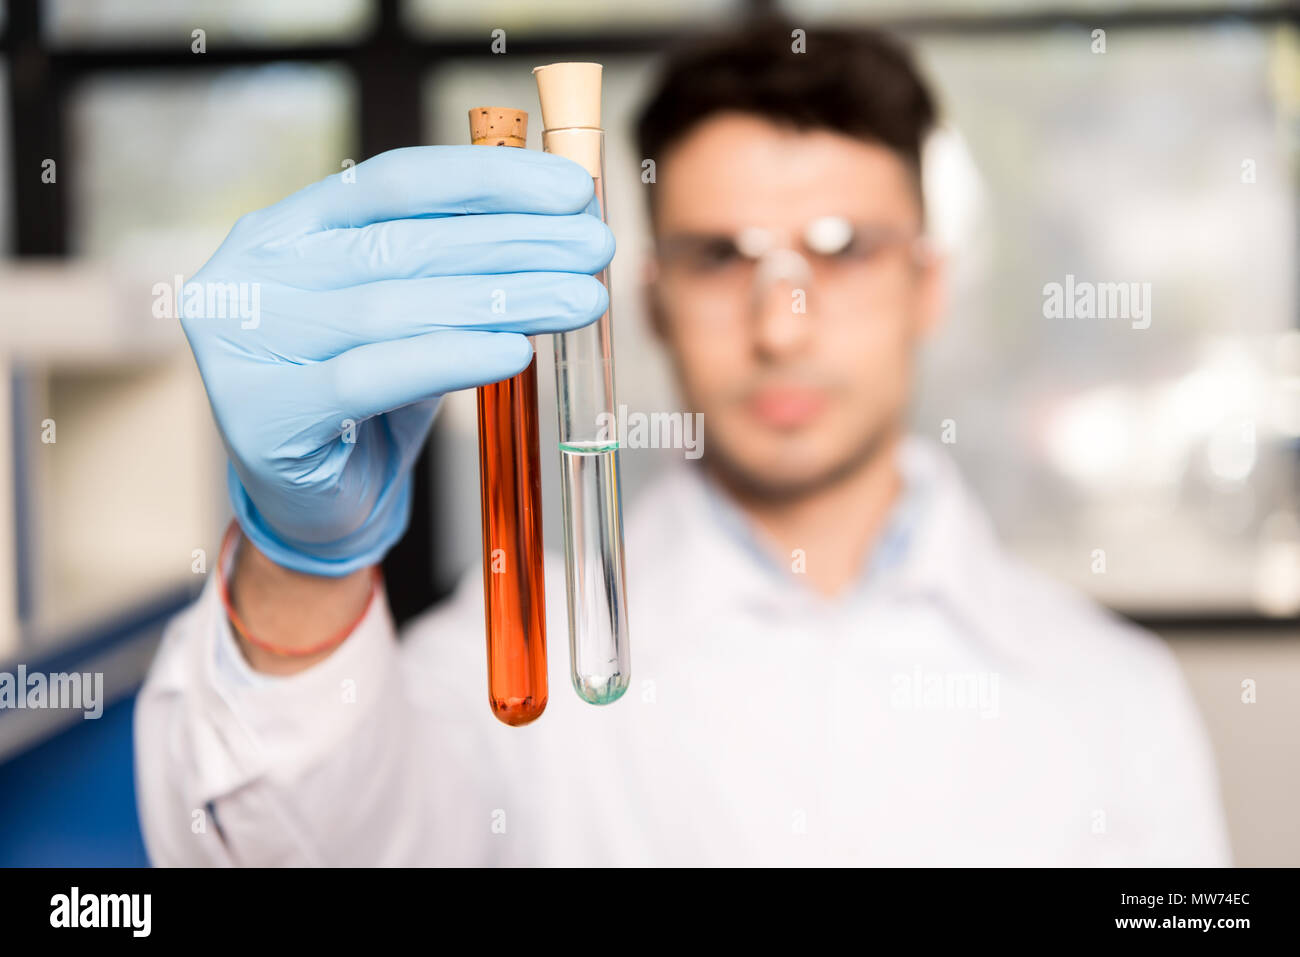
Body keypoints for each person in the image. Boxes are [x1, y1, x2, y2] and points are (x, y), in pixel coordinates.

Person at [134, 19, 1230, 866]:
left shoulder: (1114, 691)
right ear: (646, 300)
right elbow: (304, 853)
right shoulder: (505, 664)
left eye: (840, 250)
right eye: (720, 255)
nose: (779, 323)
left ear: (926, 283)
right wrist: (299, 563)